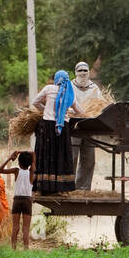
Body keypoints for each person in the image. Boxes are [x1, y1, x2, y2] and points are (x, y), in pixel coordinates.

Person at [31, 70, 76, 194]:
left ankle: (42, 187)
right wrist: (69, 111)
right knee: (61, 154)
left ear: (56, 79)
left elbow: (35, 102)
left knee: (46, 154)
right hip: (63, 127)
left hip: (47, 126)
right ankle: (62, 189)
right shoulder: (70, 92)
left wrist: (45, 109)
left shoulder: (49, 88)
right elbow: (79, 109)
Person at [70, 61, 103, 190]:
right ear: (75, 72)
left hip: (89, 125)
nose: (83, 73)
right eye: (80, 71)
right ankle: (68, 186)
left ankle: (83, 188)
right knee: (72, 157)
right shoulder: (70, 86)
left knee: (89, 158)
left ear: (88, 72)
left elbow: (100, 104)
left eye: (85, 70)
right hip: (73, 126)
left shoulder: (94, 88)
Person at [0, 149, 33, 249]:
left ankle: (13, 249)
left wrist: (10, 157)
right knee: (25, 229)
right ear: (30, 163)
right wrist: (20, 151)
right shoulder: (32, 172)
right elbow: (33, 153)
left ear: (18, 162)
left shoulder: (16, 170)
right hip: (27, 200)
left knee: (15, 228)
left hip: (17, 200)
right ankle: (26, 250)